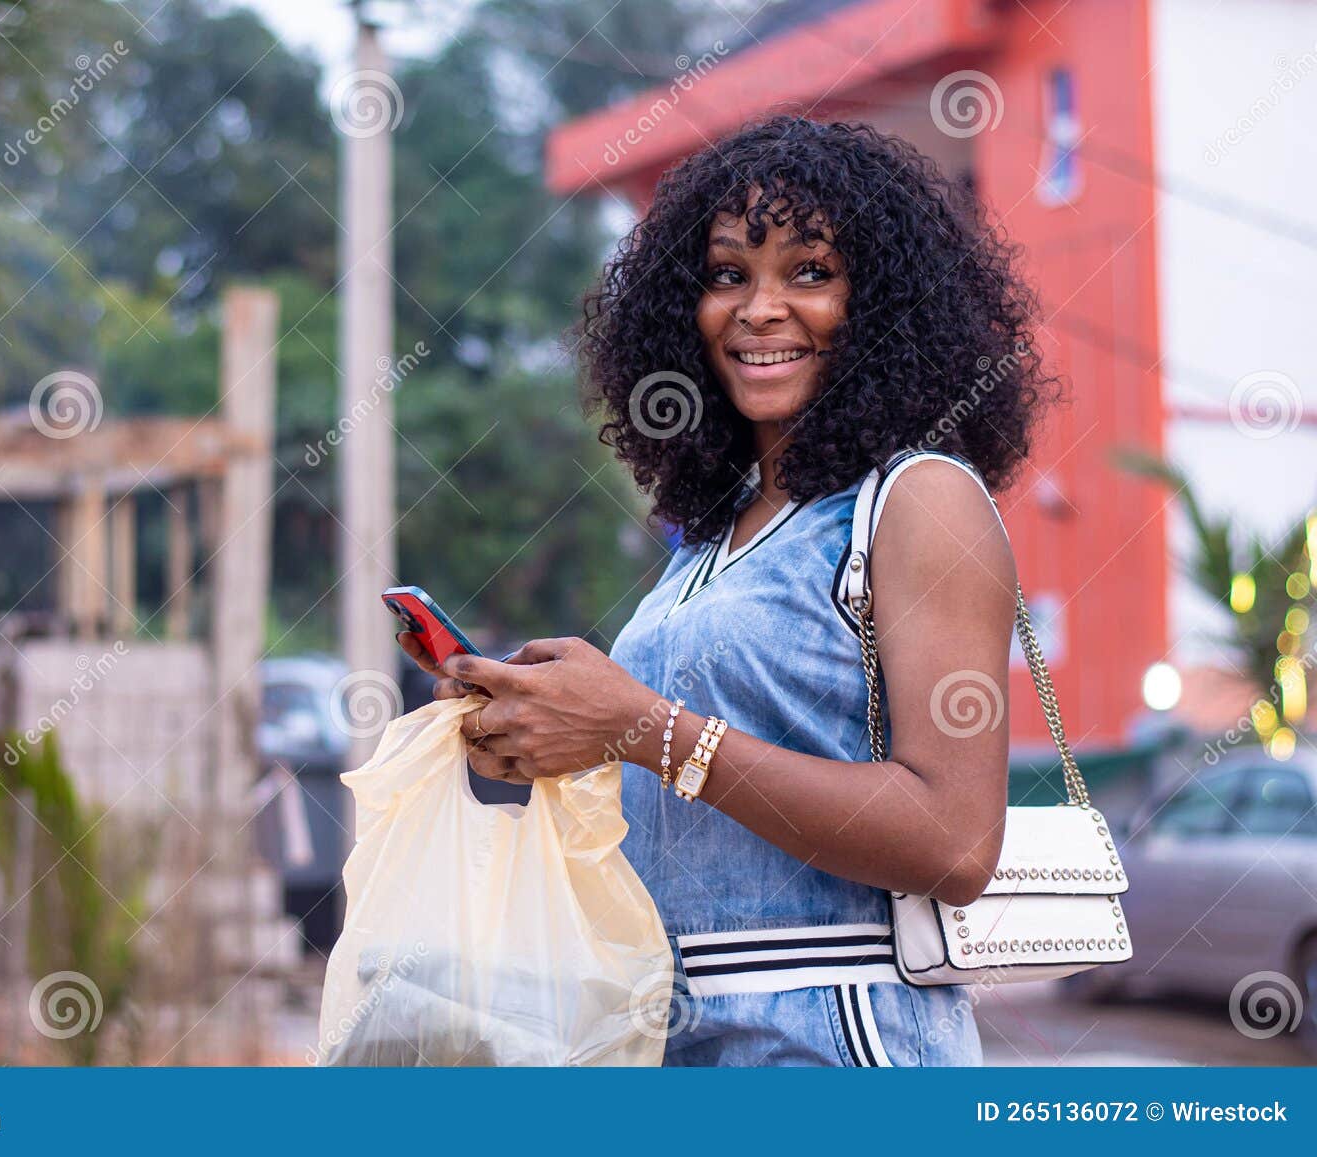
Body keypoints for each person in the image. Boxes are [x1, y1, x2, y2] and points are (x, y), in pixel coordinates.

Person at [398, 114, 1055, 1066]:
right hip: (668, 1029)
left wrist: (642, 727)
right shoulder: (716, 531)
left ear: (884, 303)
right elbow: (688, 780)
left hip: (835, 1041)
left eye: (810, 272)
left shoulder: (919, 501)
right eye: (726, 273)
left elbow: (954, 843)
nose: (758, 308)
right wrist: (549, 734)